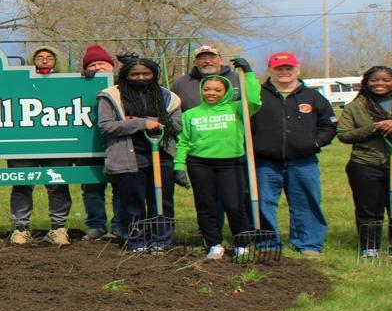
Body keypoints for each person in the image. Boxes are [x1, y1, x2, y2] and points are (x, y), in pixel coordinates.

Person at [335, 65, 392, 259]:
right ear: (366, 82)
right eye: (374, 80)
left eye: (386, 80)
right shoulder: (355, 106)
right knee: (369, 209)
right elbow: (344, 135)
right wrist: (376, 127)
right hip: (366, 164)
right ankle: (369, 247)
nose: (380, 83)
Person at [249, 52, 336, 258]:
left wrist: (316, 142)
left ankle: (308, 243)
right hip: (265, 162)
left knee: (306, 201)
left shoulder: (313, 97)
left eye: (289, 68)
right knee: (263, 203)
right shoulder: (257, 96)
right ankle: (268, 243)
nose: (284, 72)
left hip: (303, 161)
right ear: (270, 70)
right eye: (279, 68)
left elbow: (329, 124)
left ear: (298, 69)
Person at [97, 57, 182, 253]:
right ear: (126, 75)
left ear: (154, 75)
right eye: (134, 74)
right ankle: (136, 241)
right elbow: (107, 126)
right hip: (129, 155)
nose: (140, 78)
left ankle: (161, 240)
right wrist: (140, 124)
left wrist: (146, 121)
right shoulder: (111, 96)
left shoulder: (168, 97)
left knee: (161, 201)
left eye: (146, 74)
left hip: (162, 154)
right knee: (132, 202)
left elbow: (177, 126)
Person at [174, 73, 262, 258]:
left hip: (231, 163)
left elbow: (254, 100)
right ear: (201, 91)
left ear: (226, 92)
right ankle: (213, 244)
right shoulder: (190, 114)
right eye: (206, 89)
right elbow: (183, 142)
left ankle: (241, 245)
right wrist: (179, 166)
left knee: (234, 205)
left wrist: (248, 74)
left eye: (217, 90)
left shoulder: (237, 109)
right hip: (199, 164)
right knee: (206, 206)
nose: (211, 93)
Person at [9, 46, 72, 246]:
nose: (44, 61)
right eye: (39, 58)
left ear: (56, 61)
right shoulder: (18, 83)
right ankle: (21, 229)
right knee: (22, 184)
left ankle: (58, 229)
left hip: (57, 144)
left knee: (57, 185)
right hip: (22, 144)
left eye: (49, 58)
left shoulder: (70, 84)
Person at [75, 45, 122, 242]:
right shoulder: (81, 83)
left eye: (101, 63)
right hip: (89, 146)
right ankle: (96, 225)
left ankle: (120, 226)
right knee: (92, 189)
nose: (97, 68)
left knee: (121, 188)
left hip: (118, 145)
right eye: (92, 65)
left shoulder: (123, 84)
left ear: (112, 66)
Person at [170, 44, 243, 112]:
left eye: (212, 57)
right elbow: (173, 111)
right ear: (195, 62)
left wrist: (248, 73)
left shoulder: (238, 79)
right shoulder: (181, 84)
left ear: (221, 60)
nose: (207, 61)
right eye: (202, 58)